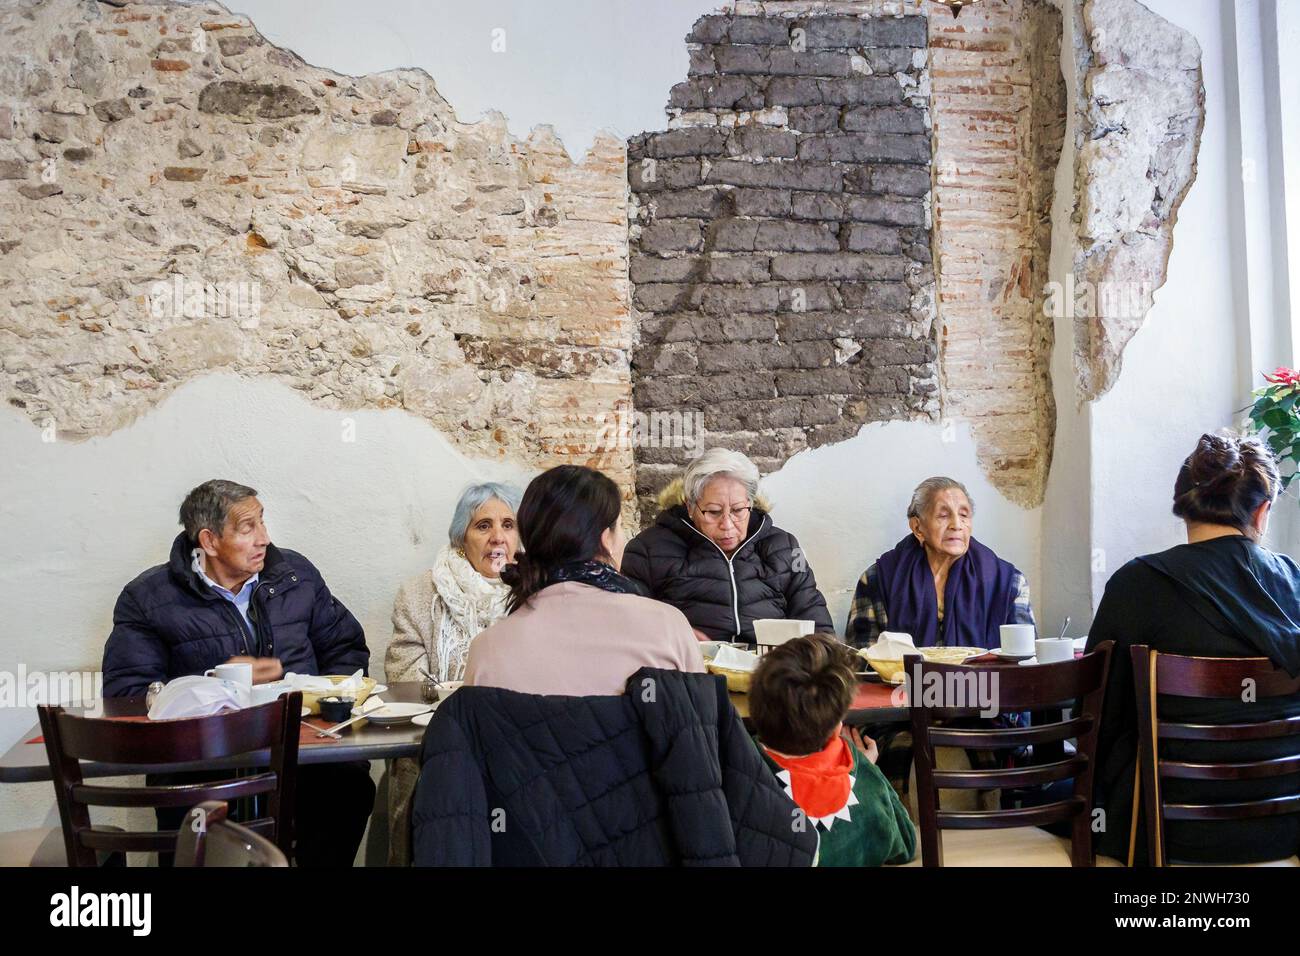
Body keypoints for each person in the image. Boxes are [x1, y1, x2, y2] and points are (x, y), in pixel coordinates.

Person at [101, 479, 373, 867]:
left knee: (349, 786)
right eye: (248, 528)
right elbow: (125, 696)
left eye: (262, 522)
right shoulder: (148, 598)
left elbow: (346, 650)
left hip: (302, 757)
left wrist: (327, 706)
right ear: (209, 541)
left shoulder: (295, 575)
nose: (264, 538)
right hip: (204, 764)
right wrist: (214, 684)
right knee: (193, 815)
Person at [1087, 433, 1300, 865]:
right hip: (1284, 825)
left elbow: (1097, 717)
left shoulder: (1137, 583)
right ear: (1262, 512)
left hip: (1163, 830)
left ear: (1184, 505)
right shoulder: (1295, 584)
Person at [464, 465, 704, 695]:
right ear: (606, 539)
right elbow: (702, 727)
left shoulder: (486, 651)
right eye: (620, 527)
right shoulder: (668, 628)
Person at [384, 481, 520, 866]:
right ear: (462, 537)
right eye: (483, 526)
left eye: (508, 525)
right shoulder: (419, 595)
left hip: (515, 741)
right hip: (435, 743)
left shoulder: (536, 595)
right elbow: (404, 683)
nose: (497, 537)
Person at [621, 448, 834, 642]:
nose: (727, 524)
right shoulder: (648, 550)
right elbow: (631, 626)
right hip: (692, 674)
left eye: (738, 510)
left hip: (771, 674)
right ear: (690, 506)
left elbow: (815, 622)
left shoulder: (784, 547)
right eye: (713, 512)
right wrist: (674, 638)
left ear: (751, 504)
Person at [749, 635, 916, 866]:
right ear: (838, 725)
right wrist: (864, 767)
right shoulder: (867, 789)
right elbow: (906, 844)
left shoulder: (740, 777)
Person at [845, 476, 1033, 648]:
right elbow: (863, 660)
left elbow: (1024, 660)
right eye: (943, 516)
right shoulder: (880, 579)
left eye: (964, 515)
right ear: (917, 527)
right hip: (902, 684)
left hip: (985, 685)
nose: (957, 525)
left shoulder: (1008, 582)